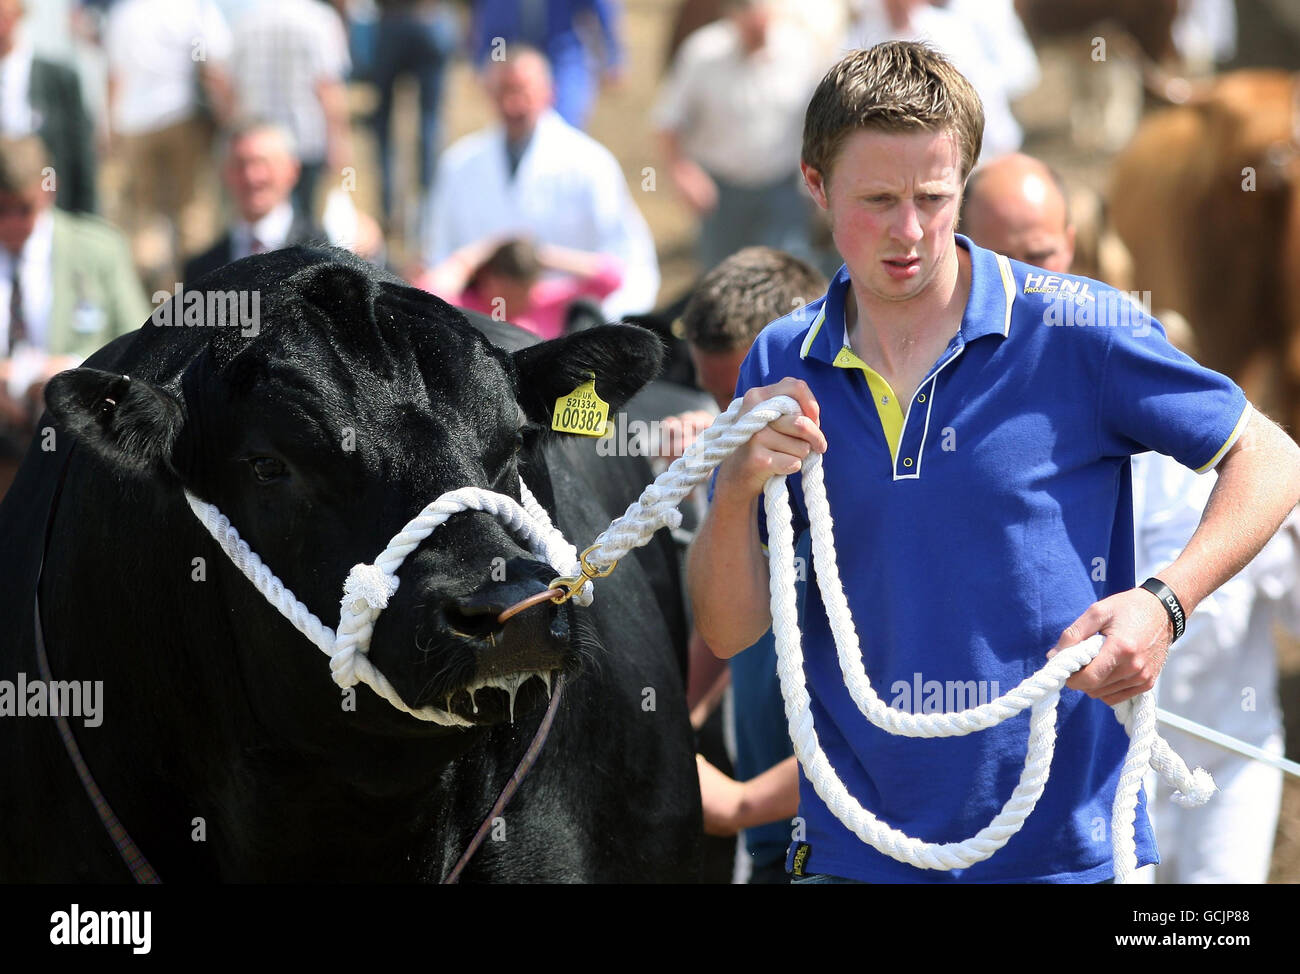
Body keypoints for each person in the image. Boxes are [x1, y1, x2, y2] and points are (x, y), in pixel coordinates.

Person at [686, 41, 1300, 884]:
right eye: (877, 200)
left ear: (964, 185)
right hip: (852, 852)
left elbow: (1271, 457)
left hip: (1061, 854)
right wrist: (735, 492)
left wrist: (1166, 604)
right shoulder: (781, 360)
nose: (909, 232)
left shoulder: (1080, 327)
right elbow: (729, 628)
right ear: (815, 185)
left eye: (934, 198)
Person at [963, 151, 1291, 884]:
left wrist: (1173, 597)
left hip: (1225, 760)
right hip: (1085, 765)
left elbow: (1273, 466)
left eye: (1040, 252)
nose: (1026, 275)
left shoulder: (1119, 344)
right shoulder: (981, 430)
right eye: (1002, 256)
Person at [681, 246, 826, 884]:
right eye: (718, 404)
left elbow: (894, 723)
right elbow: (730, 626)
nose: (724, 428)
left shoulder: (854, 512)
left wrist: (742, 804)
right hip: (772, 851)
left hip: (844, 850)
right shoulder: (748, 494)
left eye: (743, 402)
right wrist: (673, 718)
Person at [421, 45, 659, 320]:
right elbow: (437, 255)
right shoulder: (459, 164)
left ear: (549, 92)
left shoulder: (591, 164)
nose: (513, 104)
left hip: (567, 328)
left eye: (523, 91)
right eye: (503, 91)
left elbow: (628, 263)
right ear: (488, 94)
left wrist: (593, 328)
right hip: (477, 329)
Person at [0, 134, 148, 496]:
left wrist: (74, 373)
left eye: (25, 209)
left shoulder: (97, 250)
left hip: (76, 449)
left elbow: (142, 349)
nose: (12, 223)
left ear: (48, 192)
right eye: (0, 211)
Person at [653, 0, 828, 271]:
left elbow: (822, 121)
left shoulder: (802, 52)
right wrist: (681, 170)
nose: (757, 31)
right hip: (720, 194)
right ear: (732, 16)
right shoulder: (702, 52)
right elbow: (668, 121)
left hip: (783, 191)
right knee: (721, 279)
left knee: (788, 277)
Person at [104, 0, 233, 280]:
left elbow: (115, 77)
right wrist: (230, 120)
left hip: (134, 124)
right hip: (183, 119)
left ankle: (152, 299)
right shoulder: (195, 9)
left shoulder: (123, 13)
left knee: (144, 216)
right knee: (193, 212)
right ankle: (197, 290)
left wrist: (111, 135)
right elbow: (213, 68)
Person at [229, 0, 352, 220]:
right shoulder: (320, 19)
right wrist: (338, 140)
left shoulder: (245, 19)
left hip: (258, 142)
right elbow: (327, 85)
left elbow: (231, 84)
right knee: (305, 220)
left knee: (262, 218)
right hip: (306, 138)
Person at [183, 121, 325, 284]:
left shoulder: (322, 256)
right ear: (223, 174)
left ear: (292, 170)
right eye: (239, 165)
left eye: (263, 163)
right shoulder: (202, 271)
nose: (251, 177)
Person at [417, 235, 622, 340]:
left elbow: (611, 278)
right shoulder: (464, 306)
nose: (518, 303)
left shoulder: (544, 301)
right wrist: (471, 258)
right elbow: (422, 295)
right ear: (488, 279)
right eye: (508, 294)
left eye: (524, 293)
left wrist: (544, 256)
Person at [0, 0, 97, 214]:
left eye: (5, 13)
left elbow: (81, 157)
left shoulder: (59, 79)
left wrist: (85, 219)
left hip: (53, 209)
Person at [469, 0, 624, 130]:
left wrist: (613, 56)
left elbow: (601, 7)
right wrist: (486, 61)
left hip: (562, 51)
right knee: (515, 114)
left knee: (565, 122)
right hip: (515, 53)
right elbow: (492, 19)